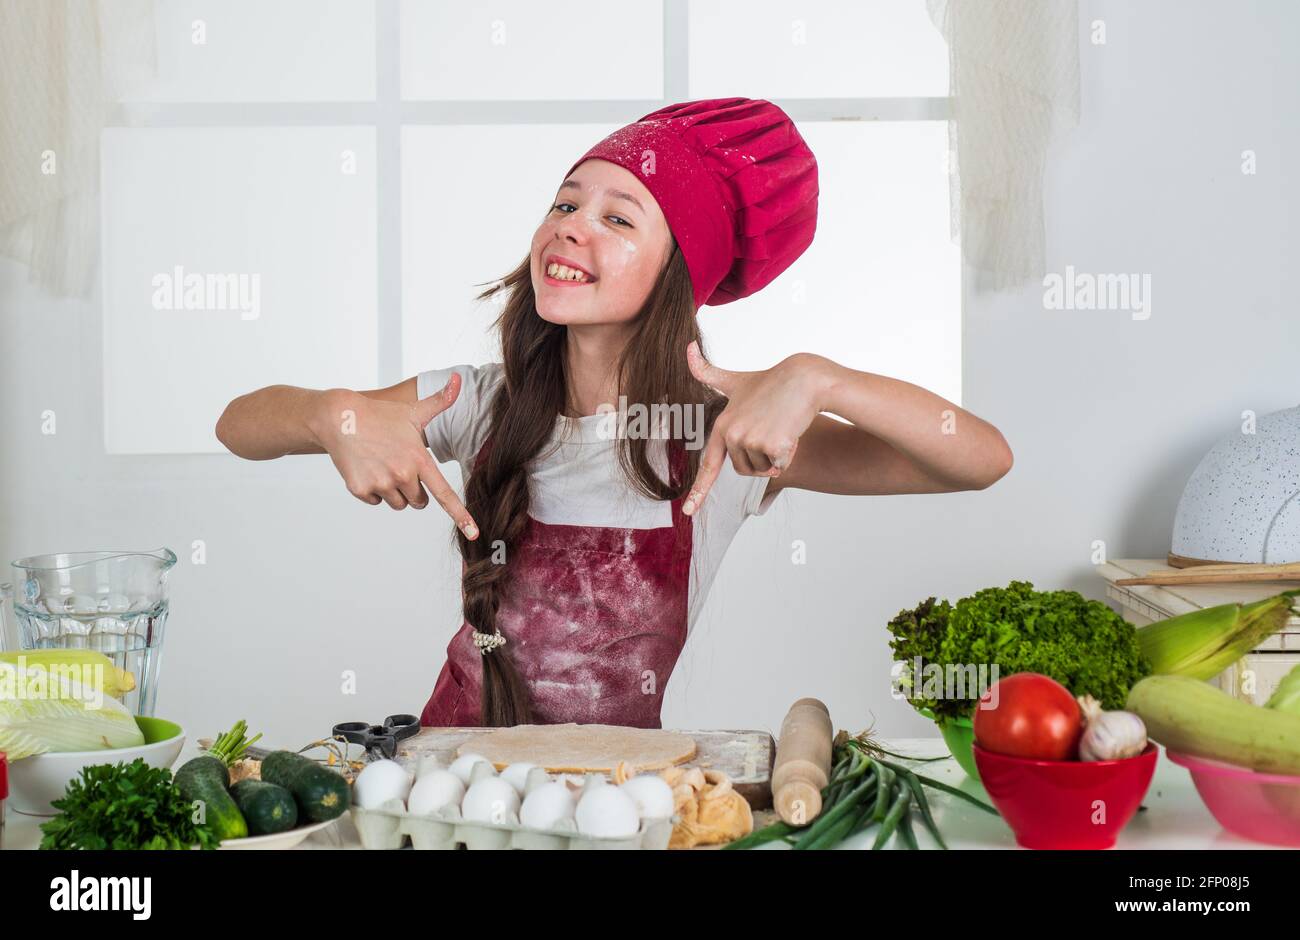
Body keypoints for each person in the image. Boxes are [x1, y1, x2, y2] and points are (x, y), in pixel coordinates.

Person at [216, 97, 1013, 729]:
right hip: (450, 787)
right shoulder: (477, 399)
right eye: (565, 202)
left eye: (618, 216)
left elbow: (978, 460)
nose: (570, 224)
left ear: (678, 273)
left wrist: (820, 378)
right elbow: (239, 426)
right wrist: (336, 415)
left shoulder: (722, 437)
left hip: (620, 802)